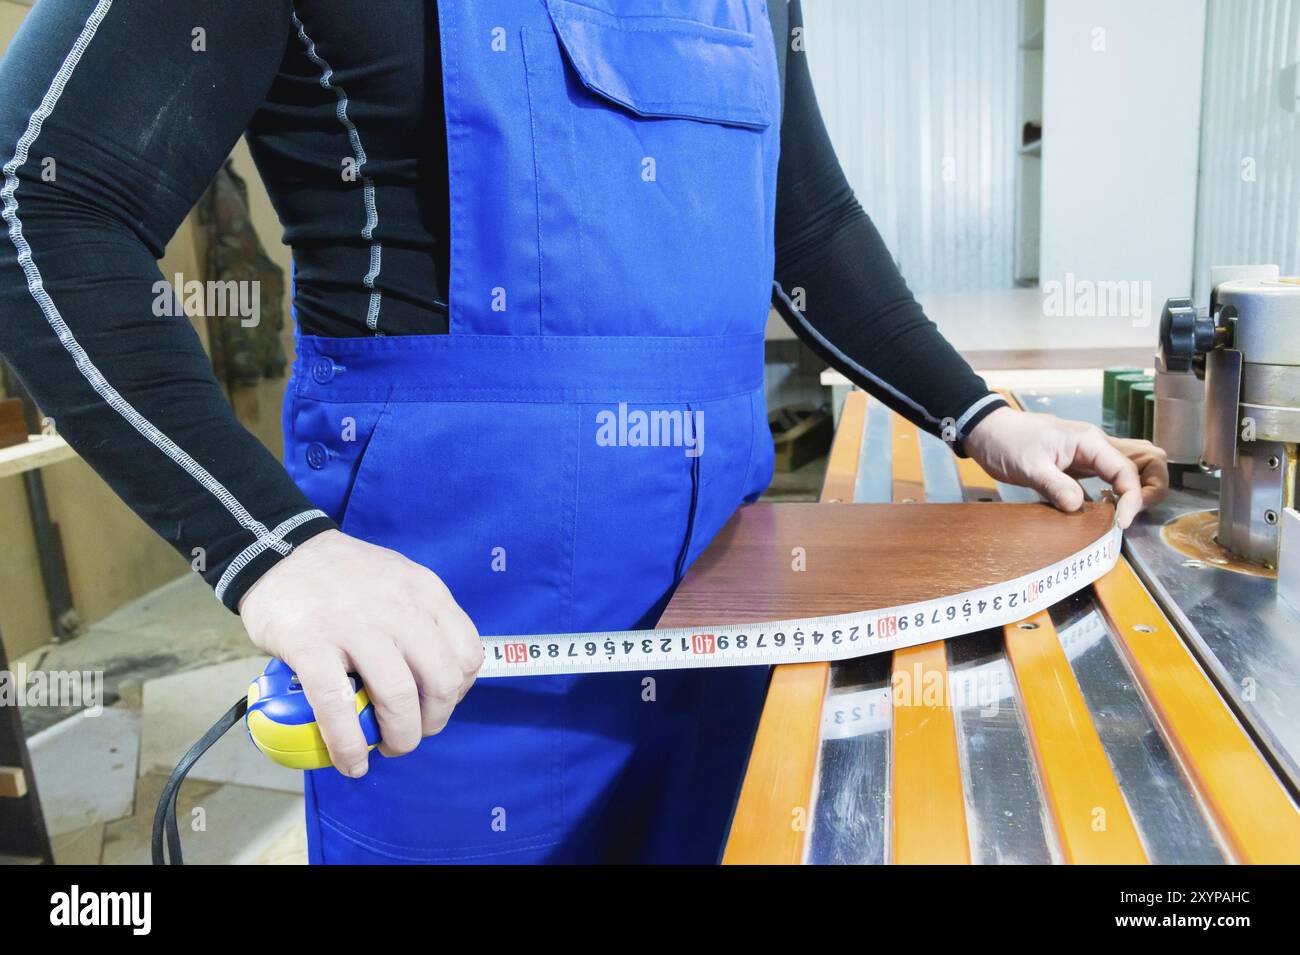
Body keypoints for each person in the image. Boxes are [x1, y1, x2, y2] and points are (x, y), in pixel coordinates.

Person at [0, 0, 1167, 863]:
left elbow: (805, 224)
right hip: (451, 680)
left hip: (728, 634)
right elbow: (36, 200)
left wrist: (979, 415)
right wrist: (271, 549)